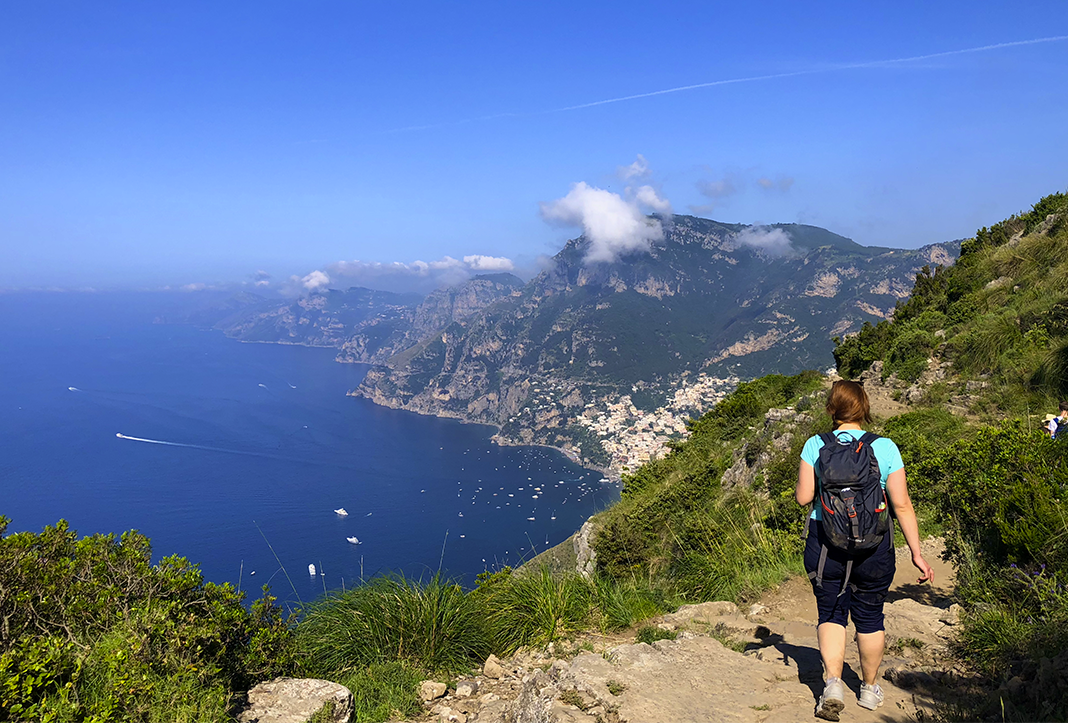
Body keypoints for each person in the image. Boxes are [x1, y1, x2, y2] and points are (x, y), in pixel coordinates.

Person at [795, 380, 934, 720]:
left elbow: (803, 497)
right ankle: (869, 690)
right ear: (864, 408)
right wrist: (916, 553)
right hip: (875, 544)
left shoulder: (815, 445)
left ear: (832, 409)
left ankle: (832, 685)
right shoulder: (885, 447)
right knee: (870, 616)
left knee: (831, 613)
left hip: (825, 542)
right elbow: (902, 505)